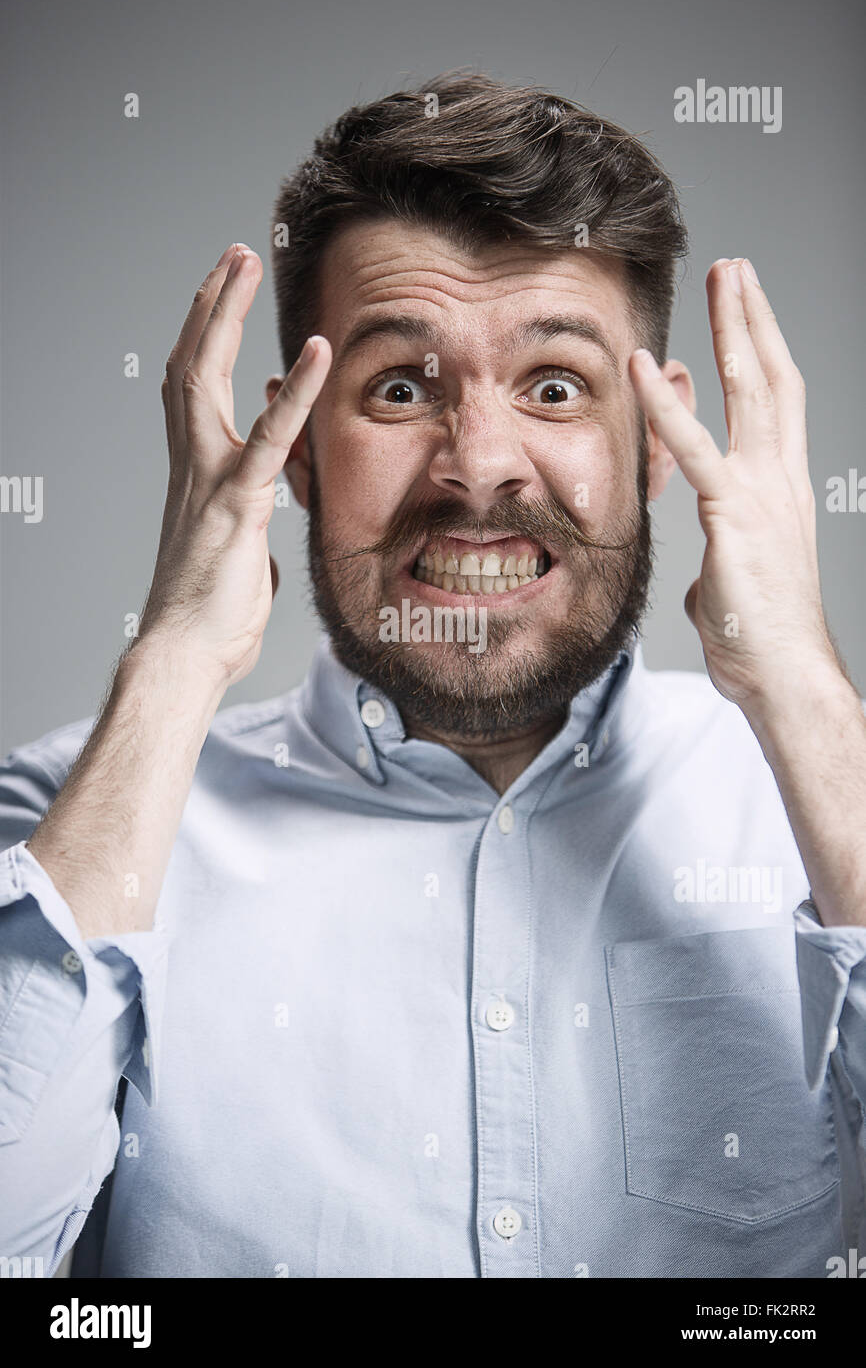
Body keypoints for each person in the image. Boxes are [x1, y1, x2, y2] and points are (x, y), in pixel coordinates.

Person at [1, 72, 864, 1280]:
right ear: (290, 453)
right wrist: (171, 662)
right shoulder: (63, 828)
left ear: (658, 444)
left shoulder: (815, 813)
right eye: (401, 388)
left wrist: (808, 700)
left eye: (553, 386)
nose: (479, 468)